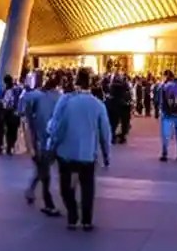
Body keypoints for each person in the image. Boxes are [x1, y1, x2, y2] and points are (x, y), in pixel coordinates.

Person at [46, 69, 112, 231]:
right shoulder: (98, 105)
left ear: (76, 81)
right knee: (87, 187)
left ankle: (73, 215)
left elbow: (59, 127)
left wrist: (53, 144)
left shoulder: (67, 102)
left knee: (66, 186)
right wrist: (106, 153)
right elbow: (105, 132)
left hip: (66, 152)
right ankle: (87, 220)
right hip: (87, 153)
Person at [22, 77, 63, 217]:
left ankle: (32, 191)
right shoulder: (60, 99)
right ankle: (47, 200)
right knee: (45, 171)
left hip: (40, 141)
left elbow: (28, 121)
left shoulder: (34, 97)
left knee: (42, 170)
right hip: (53, 140)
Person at [158, 70, 177, 162]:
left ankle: (164, 153)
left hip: (168, 114)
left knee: (166, 135)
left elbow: (160, 101)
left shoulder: (163, 87)